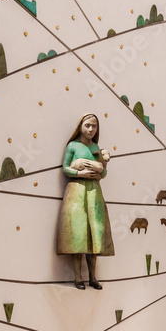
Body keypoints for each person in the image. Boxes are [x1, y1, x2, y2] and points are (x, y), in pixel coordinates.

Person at [56, 113, 114, 289]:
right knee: (78, 234)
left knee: (94, 234)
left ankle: (93, 277)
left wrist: (102, 169)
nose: (90, 129)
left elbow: (103, 173)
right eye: (87, 125)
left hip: (94, 193)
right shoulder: (73, 146)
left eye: (94, 126)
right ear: (80, 126)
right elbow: (65, 168)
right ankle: (77, 278)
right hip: (77, 192)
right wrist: (79, 173)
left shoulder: (96, 147)